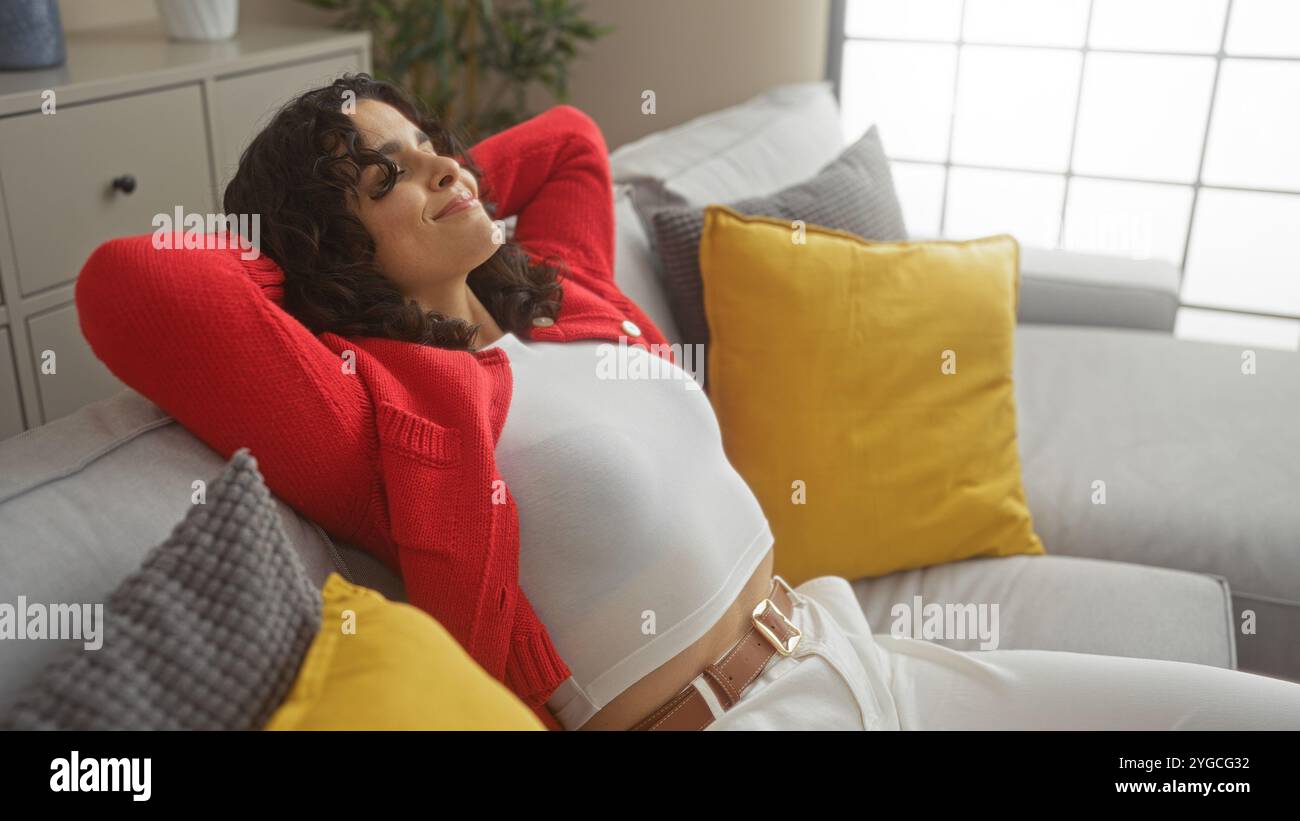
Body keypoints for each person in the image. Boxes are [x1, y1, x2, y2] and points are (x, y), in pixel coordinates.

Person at [77, 74, 1300, 731]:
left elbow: (562, 142)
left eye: (432, 140)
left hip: (858, 657)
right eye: (385, 178)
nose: (443, 166)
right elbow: (132, 287)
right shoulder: (383, 410)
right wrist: (315, 240)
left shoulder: (570, 311)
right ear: (328, 251)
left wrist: (427, 189)